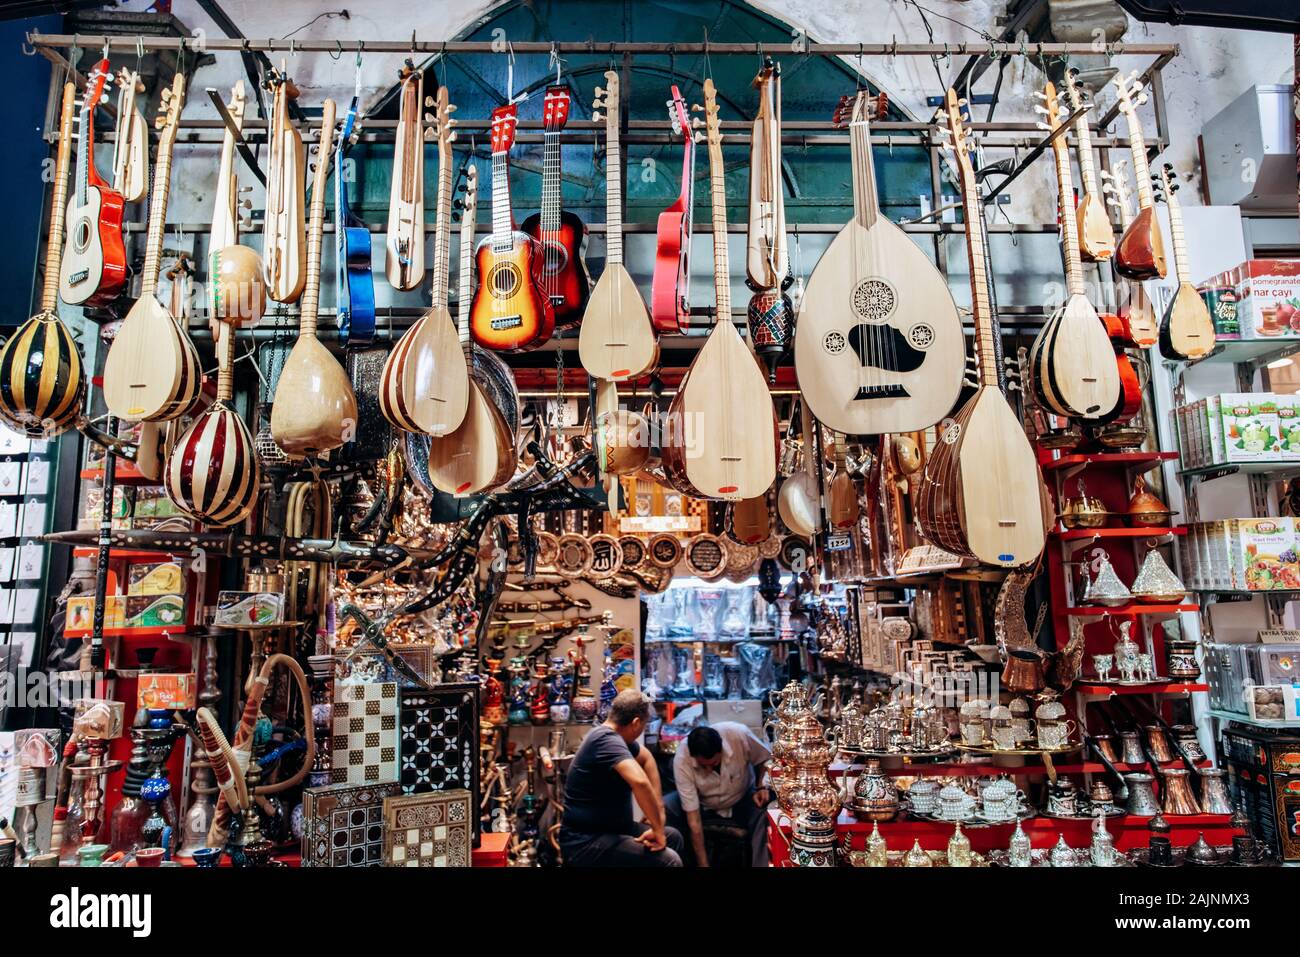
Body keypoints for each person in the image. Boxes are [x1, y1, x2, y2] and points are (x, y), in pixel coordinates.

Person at [558, 689, 684, 866]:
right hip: (585, 842)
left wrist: (658, 815)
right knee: (669, 860)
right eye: (644, 725)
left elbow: (647, 759)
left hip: (614, 830)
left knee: (673, 837)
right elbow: (639, 781)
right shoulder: (604, 739)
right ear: (636, 723)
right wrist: (656, 828)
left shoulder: (619, 740)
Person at [664, 722, 773, 867]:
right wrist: (703, 863)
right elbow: (694, 820)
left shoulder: (738, 734)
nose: (709, 769)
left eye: (714, 763)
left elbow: (765, 759)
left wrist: (761, 787)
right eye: (703, 766)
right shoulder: (682, 759)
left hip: (742, 797)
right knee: (665, 807)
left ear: (721, 749)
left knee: (764, 810)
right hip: (704, 804)